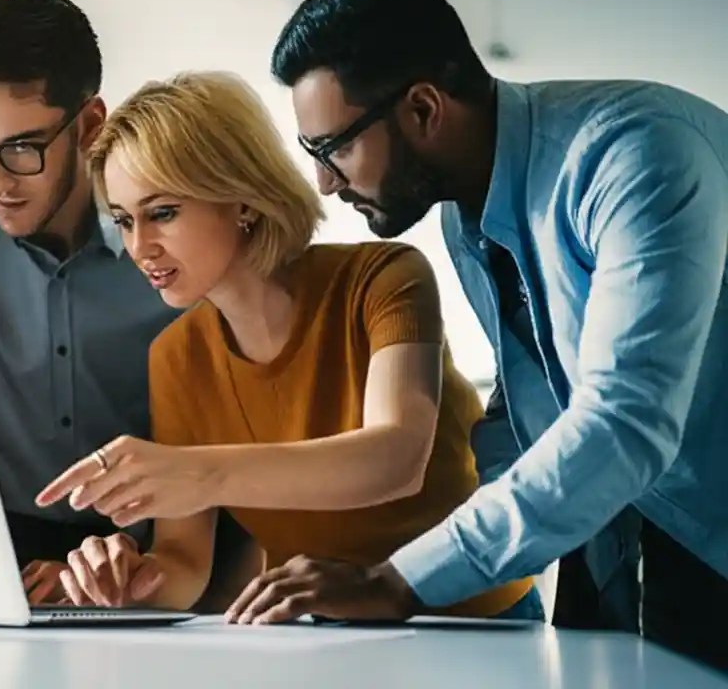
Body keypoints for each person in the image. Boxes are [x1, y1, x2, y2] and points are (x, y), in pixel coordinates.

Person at [257, 0, 728, 672]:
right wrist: (438, 560)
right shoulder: (461, 214)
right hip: (623, 522)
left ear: (422, 109)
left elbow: (625, 424)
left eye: (334, 149)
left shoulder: (636, 156)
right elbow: (531, 401)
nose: (325, 182)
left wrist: (402, 580)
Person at [35, 70, 540, 622]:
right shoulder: (176, 356)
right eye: (124, 221)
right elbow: (184, 565)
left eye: (162, 213)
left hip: (478, 623)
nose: (140, 246)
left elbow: (398, 457)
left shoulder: (383, 278)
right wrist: (121, 581)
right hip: (316, 626)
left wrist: (200, 472)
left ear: (241, 198)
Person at [0, 0, 255, 607]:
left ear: (89, 125)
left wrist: (124, 548)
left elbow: (220, 432)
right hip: (8, 549)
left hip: (179, 536)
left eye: (21, 149)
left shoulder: (171, 244)